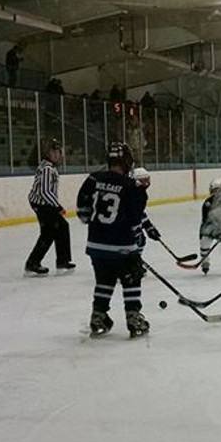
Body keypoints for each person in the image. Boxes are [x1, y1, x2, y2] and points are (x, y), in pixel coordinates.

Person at [76, 143, 150, 338]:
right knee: (132, 279)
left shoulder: (92, 179)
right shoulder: (130, 185)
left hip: (96, 245)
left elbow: (83, 213)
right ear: (127, 162)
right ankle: (134, 318)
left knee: (104, 281)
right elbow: (136, 219)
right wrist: (136, 243)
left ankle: (98, 317)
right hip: (122, 245)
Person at [25, 140, 75, 275]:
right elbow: (44, 192)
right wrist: (57, 206)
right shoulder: (47, 168)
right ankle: (33, 264)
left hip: (44, 204)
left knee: (61, 227)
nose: (57, 155)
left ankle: (61, 261)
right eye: (54, 152)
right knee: (49, 233)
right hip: (42, 205)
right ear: (48, 153)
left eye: (58, 152)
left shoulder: (48, 167)